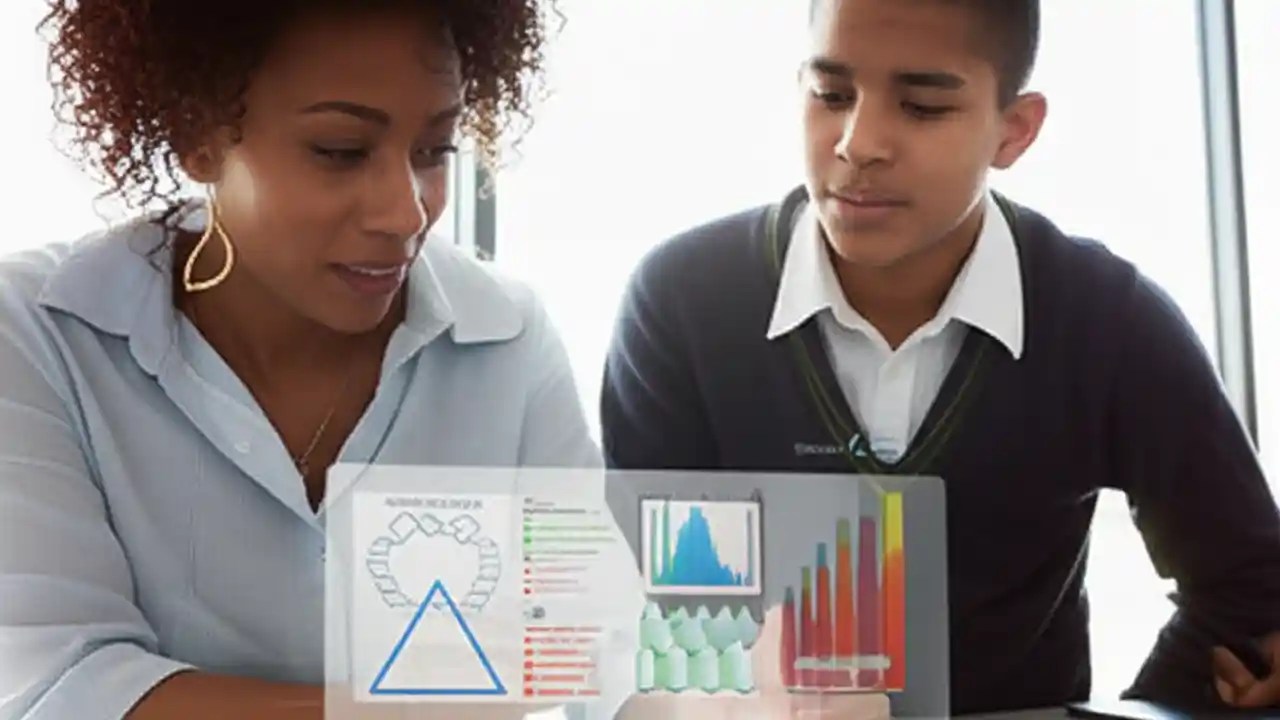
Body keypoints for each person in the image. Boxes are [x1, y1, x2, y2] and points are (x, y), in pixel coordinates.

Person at [600, 0, 1280, 715]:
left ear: (1014, 131)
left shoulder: (1110, 319)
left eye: (922, 107)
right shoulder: (683, 301)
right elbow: (641, 607)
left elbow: (1250, 592)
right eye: (831, 96)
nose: (858, 142)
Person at [0, 1, 599, 718]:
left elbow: (587, 647)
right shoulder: (40, 338)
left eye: (435, 151)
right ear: (197, 134)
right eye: (341, 151)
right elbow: (60, 691)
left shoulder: (508, 340)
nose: (406, 213)